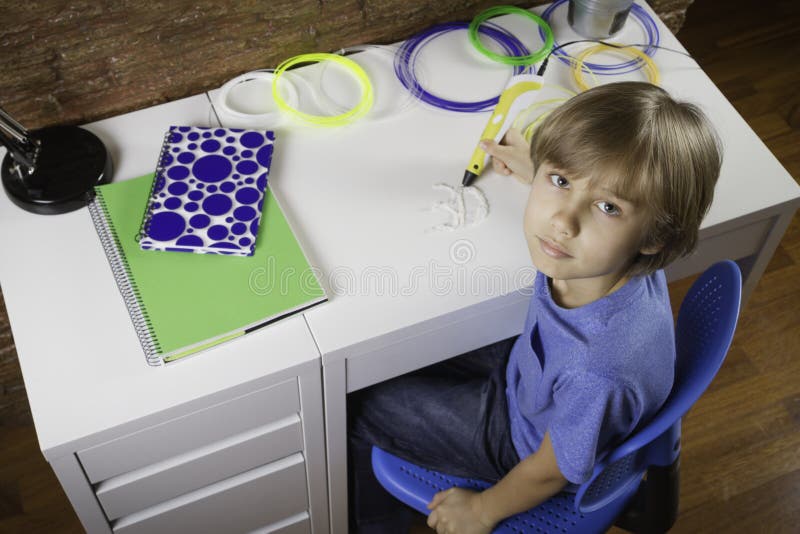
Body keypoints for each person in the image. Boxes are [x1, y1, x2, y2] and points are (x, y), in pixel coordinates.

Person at [348, 81, 722, 534]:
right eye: (560, 180)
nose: (562, 221)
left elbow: (551, 469)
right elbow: (588, 199)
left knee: (353, 401)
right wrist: (544, 169)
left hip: (521, 442)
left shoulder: (598, 371)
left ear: (655, 237)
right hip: (532, 375)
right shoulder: (616, 259)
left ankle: (374, 522)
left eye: (608, 207)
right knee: (387, 356)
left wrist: (482, 511)